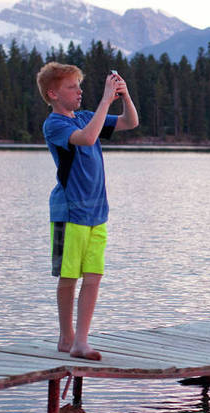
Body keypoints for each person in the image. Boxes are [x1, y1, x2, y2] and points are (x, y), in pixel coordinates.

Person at [36, 62, 139, 361]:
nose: (79, 92)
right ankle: (66, 337)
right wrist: (105, 100)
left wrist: (124, 95)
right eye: (72, 87)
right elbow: (87, 138)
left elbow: (129, 122)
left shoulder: (83, 116)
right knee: (69, 276)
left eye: (80, 86)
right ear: (53, 94)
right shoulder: (55, 124)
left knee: (93, 276)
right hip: (69, 211)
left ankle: (81, 341)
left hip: (97, 212)